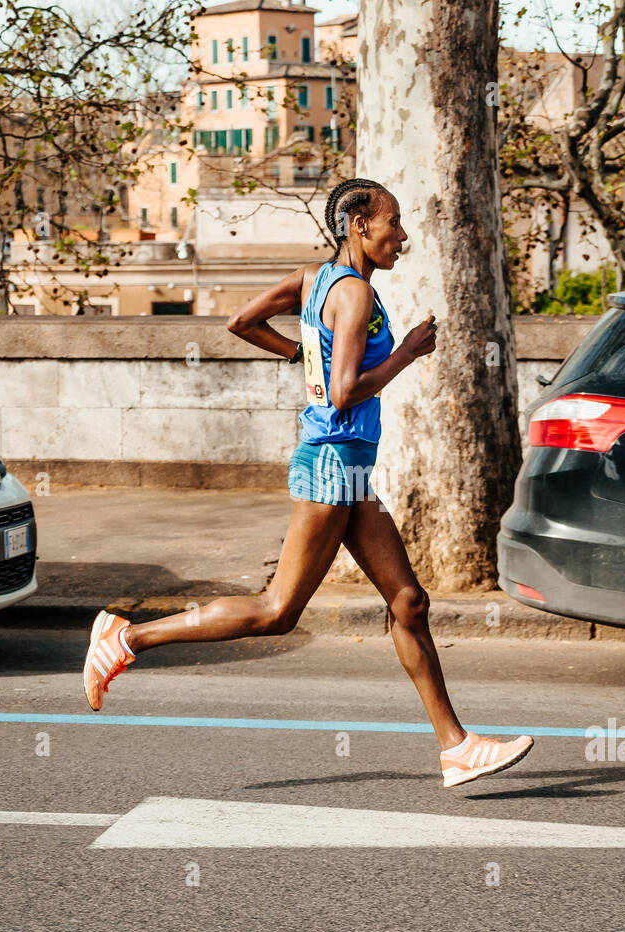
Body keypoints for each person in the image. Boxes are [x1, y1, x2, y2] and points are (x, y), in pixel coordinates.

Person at [82, 178, 533, 788]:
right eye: (394, 222)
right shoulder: (354, 294)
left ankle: (456, 748)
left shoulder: (313, 278)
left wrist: (300, 355)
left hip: (348, 466)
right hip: (333, 463)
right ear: (359, 225)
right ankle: (128, 638)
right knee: (277, 612)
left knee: (409, 602)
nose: (402, 236)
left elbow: (242, 321)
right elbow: (345, 392)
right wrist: (406, 352)